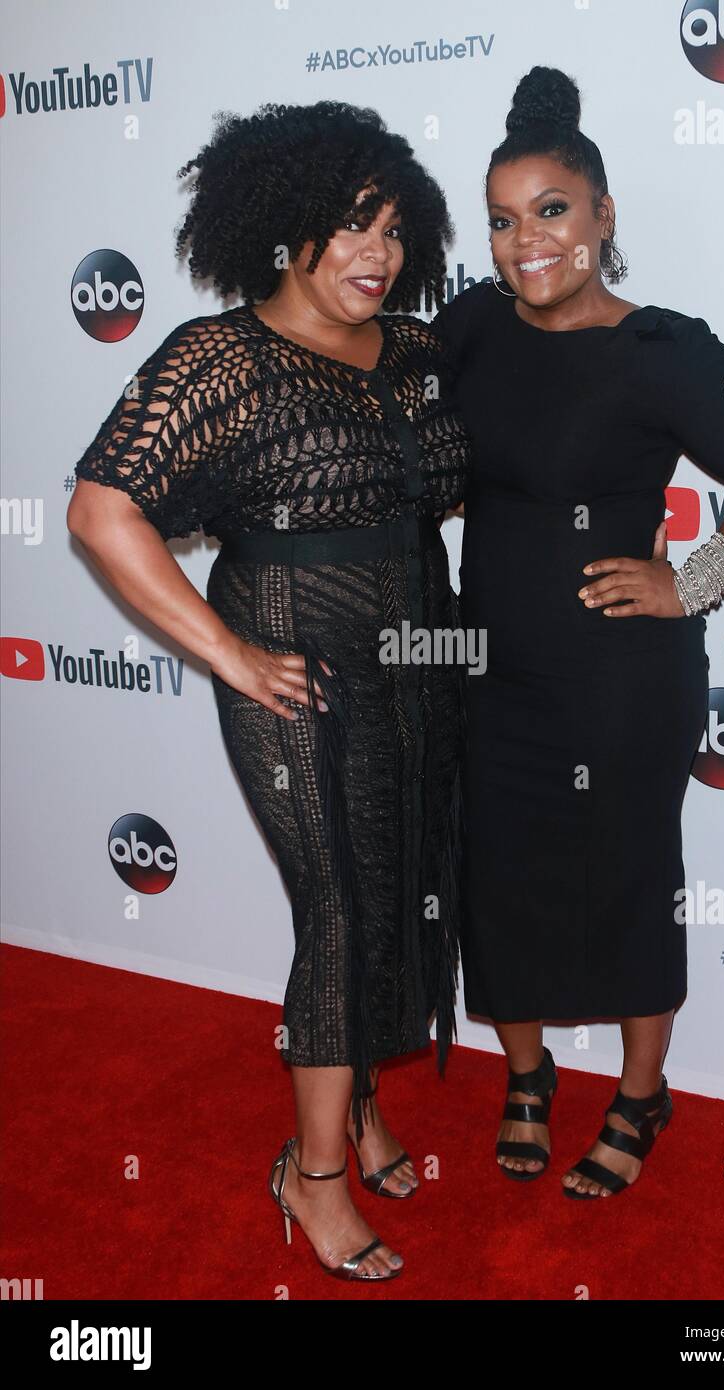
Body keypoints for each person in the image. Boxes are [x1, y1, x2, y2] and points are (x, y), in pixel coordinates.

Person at [68, 99, 470, 1276]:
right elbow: (102, 512)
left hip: (418, 663)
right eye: (352, 224)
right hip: (292, 676)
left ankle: (358, 1109)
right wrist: (231, 656)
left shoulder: (416, 351)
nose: (376, 254)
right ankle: (315, 1174)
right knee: (342, 916)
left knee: (401, 895)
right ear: (286, 225)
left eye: (395, 231)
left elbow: (435, 498)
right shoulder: (218, 359)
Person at [432, 67, 724, 1199]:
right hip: (488, 656)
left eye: (550, 210)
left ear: (602, 215)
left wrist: (691, 581)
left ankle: (642, 1091)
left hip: (619, 675)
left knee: (628, 873)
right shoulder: (466, 326)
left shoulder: (664, 346)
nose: (525, 242)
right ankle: (526, 1071)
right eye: (502, 220)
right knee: (494, 868)